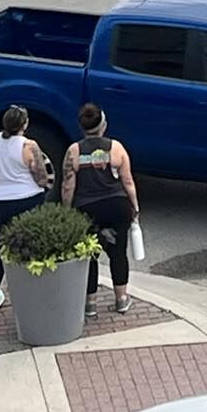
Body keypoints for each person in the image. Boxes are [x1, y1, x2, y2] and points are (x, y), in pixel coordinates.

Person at [0, 106, 53, 315]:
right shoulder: (28, 146)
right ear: (24, 125)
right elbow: (42, 176)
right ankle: (34, 292)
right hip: (27, 200)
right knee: (32, 245)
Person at [63, 104, 141, 317]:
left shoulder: (74, 151)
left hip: (86, 209)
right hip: (116, 205)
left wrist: (67, 212)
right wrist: (134, 206)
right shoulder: (116, 148)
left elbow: (68, 185)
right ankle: (121, 299)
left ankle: (90, 303)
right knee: (118, 253)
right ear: (103, 125)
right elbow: (127, 180)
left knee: (89, 255)